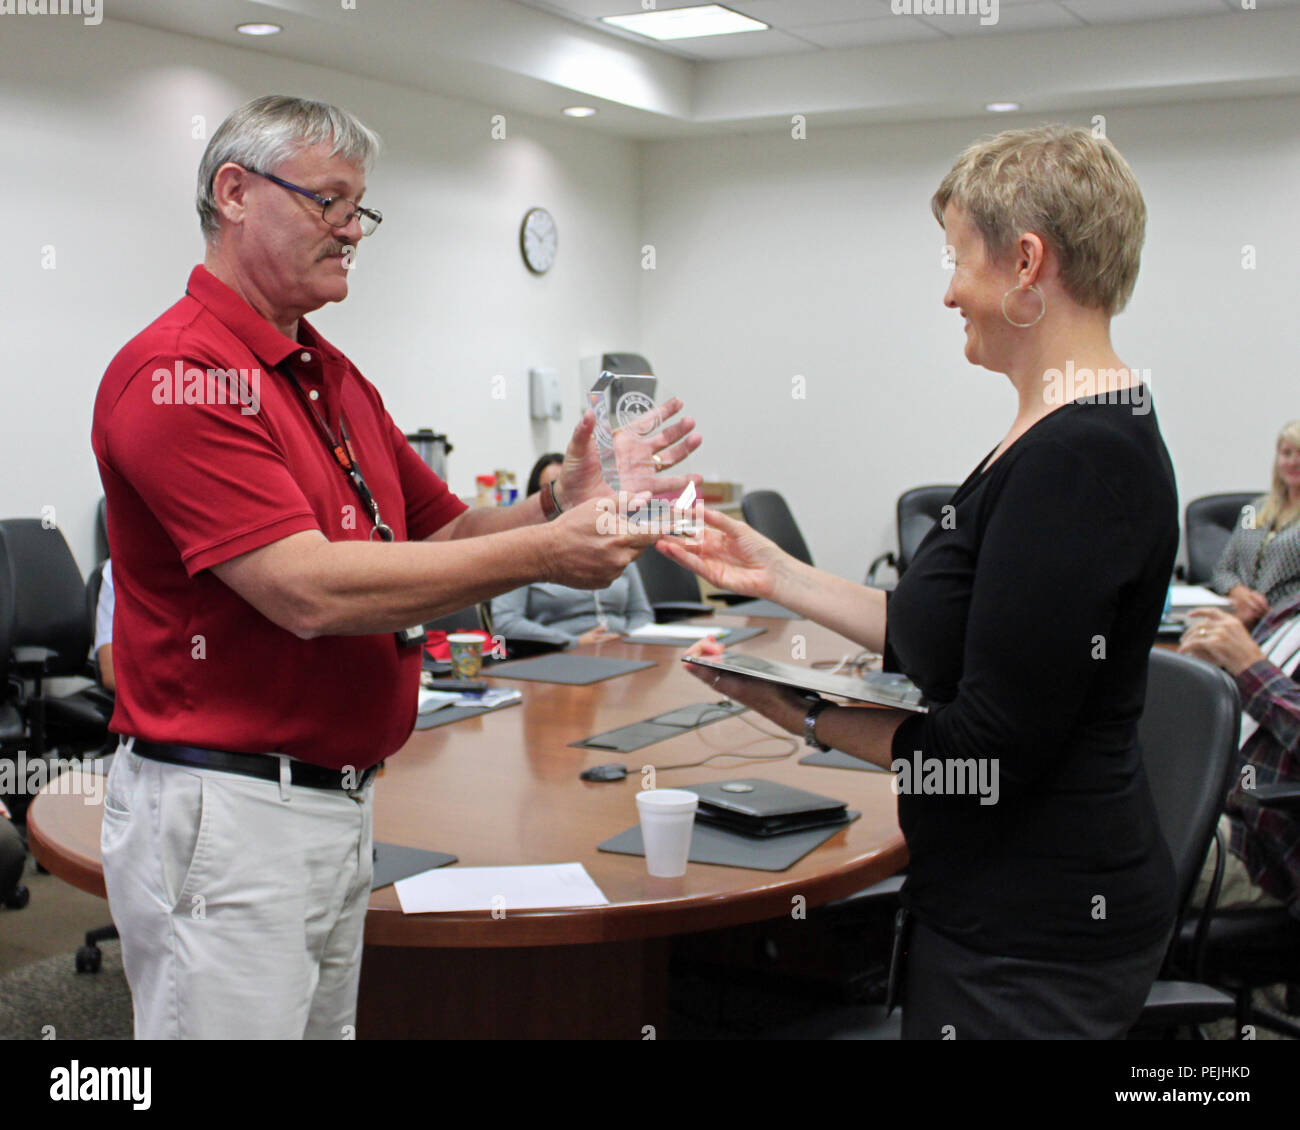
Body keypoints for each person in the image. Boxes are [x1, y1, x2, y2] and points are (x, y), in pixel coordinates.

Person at [91, 95, 700, 1040]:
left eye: (360, 208)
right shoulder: (178, 374)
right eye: (330, 203)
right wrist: (548, 550)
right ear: (235, 193)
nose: (352, 231)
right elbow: (303, 589)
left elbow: (443, 535)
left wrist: (552, 506)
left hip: (334, 798)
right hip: (229, 811)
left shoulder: (327, 372)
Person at [660, 125, 1177, 1039]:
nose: (948, 292)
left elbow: (989, 751)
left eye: (957, 259)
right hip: (1007, 910)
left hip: (1034, 932)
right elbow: (949, 631)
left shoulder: (1077, 459)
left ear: (1027, 263)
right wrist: (776, 576)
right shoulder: (1055, 432)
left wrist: (809, 718)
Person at [1180, 601, 1300, 911]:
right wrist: (1212, 671)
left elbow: (1258, 680)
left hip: (1261, 852)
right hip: (1204, 799)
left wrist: (1251, 668)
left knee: (1097, 848)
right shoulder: (1289, 610)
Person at [491, 455, 655, 647]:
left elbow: (641, 613)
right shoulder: (521, 550)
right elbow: (506, 624)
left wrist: (626, 638)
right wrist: (573, 642)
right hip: (557, 656)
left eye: (570, 490)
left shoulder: (612, 541)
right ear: (535, 499)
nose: (563, 500)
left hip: (623, 649)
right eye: (551, 491)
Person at [1210, 422, 1300, 627]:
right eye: (1287, 453)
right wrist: (1239, 592)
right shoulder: (1255, 509)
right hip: (1238, 616)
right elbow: (1223, 569)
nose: (1293, 462)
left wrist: (1264, 607)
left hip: (1286, 624)